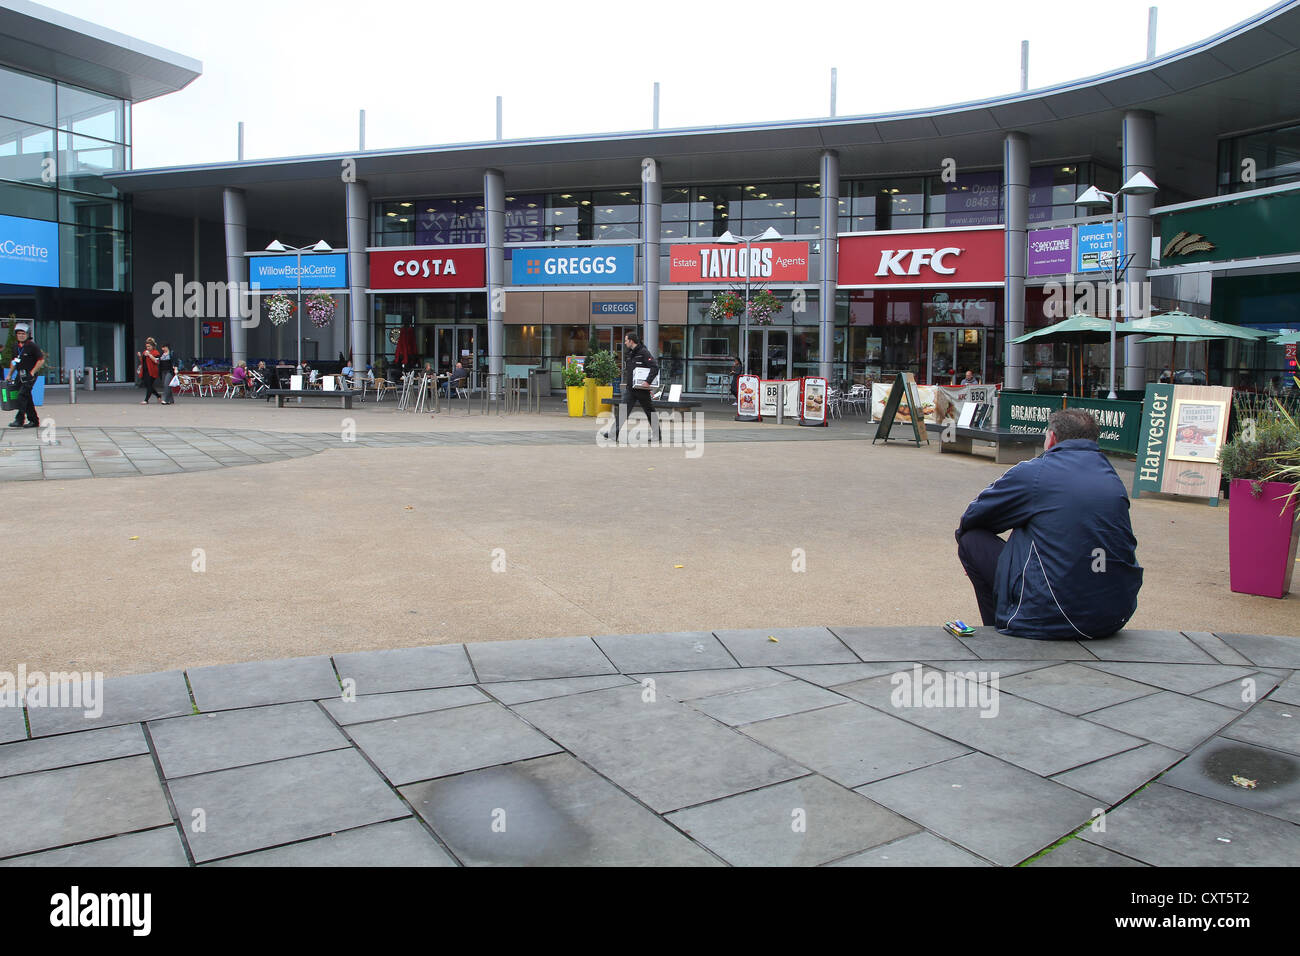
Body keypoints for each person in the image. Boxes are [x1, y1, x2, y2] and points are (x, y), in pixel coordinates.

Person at [954, 409, 1142, 640]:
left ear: (1051, 438)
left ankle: (1000, 629)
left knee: (972, 539)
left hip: (1051, 616)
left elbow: (974, 516)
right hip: (1112, 616)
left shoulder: (1035, 472)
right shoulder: (1111, 477)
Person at [622, 331, 660, 442]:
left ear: (631, 341)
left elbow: (654, 367)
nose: (624, 343)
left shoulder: (643, 352)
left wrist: (648, 382)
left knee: (649, 412)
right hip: (631, 389)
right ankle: (613, 433)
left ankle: (657, 435)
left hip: (642, 389)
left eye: (626, 340)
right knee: (623, 411)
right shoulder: (630, 353)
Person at [7, 323, 44, 428]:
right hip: (20, 374)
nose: (21, 335)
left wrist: (32, 373)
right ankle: (34, 421)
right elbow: (14, 361)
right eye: (19, 333)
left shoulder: (32, 346)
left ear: (28, 334)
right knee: (27, 397)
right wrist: (9, 374)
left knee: (22, 395)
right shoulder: (15, 346)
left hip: (29, 375)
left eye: (23, 333)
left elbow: (41, 360)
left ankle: (19, 419)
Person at [138, 337, 162, 404]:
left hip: (152, 371)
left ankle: (146, 400)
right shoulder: (144, 352)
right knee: (148, 385)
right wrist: (140, 356)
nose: (148, 348)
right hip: (145, 371)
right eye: (147, 346)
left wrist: (149, 355)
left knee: (149, 385)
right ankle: (158, 395)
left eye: (149, 346)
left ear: (153, 346)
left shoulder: (155, 352)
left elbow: (156, 361)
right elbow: (142, 361)